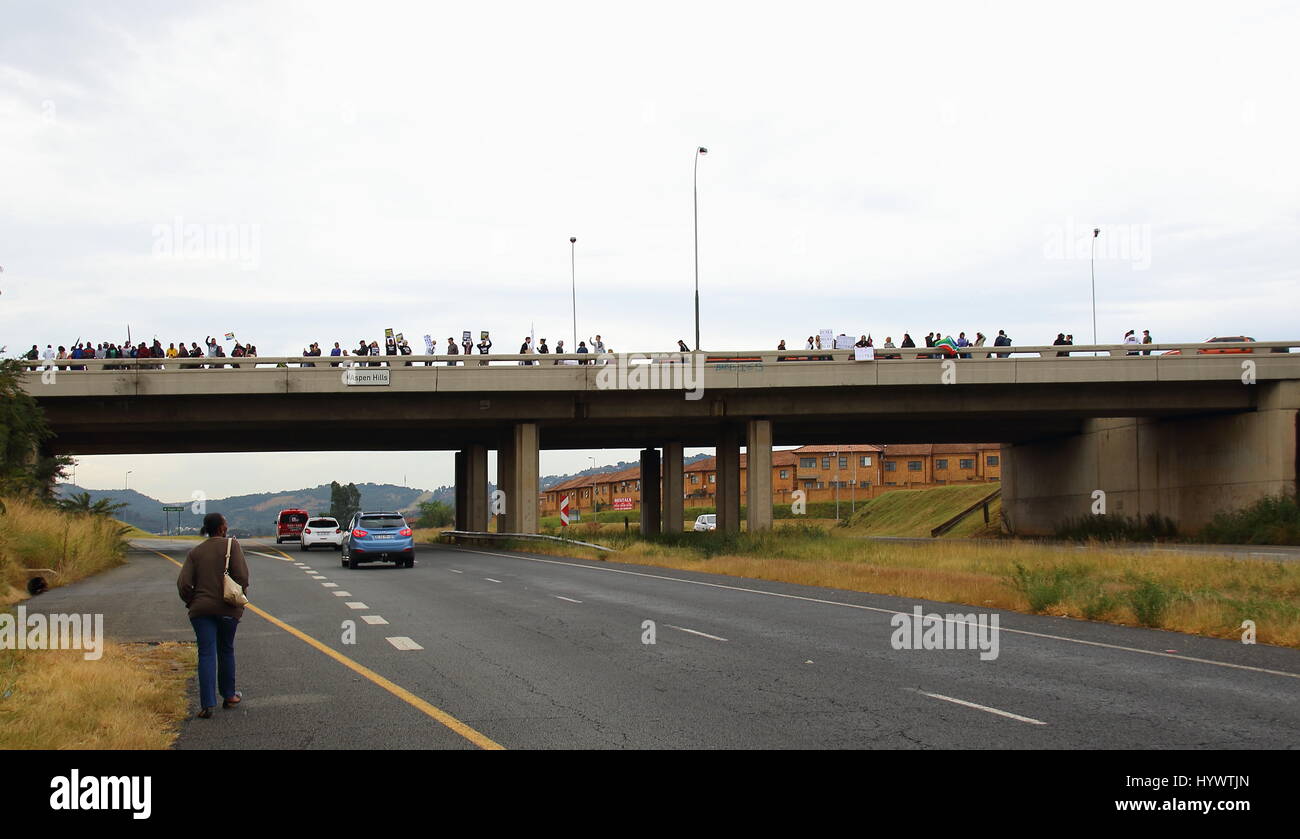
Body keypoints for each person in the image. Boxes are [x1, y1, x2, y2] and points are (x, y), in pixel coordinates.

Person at [177, 512, 249, 719]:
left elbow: (183, 584)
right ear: (221, 529)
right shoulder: (231, 546)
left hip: (201, 610)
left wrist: (191, 601)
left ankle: (207, 703)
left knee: (206, 653)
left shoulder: (195, 552)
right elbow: (243, 576)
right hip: (227, 608)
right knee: (226, 649)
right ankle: (229, 695)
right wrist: (239, 600)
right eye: (225, 524)